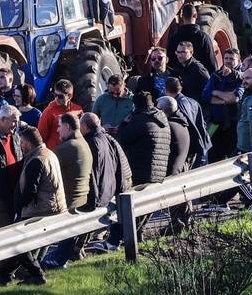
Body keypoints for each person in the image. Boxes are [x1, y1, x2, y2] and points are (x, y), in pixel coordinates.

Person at [0, 127, 61, 286]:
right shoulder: (48, 154)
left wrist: (18, 209)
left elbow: (31, 189)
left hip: (38, 209)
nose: (20, 145)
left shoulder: (36, 160)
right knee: (22, 245)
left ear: (29, 144)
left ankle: (37, 274)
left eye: (22, 142)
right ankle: (5, 275)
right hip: (48, 206)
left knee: (20, 244)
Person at [107, 92, 168, 248]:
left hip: (141, 169)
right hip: (159, 170)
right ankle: (135, 236)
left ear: (136, 105)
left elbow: (123, 138)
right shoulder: (161, 118)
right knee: (144, 207)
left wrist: (125, 123)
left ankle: (114, 240)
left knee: (130, 208)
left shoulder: (140, 120)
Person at [41, 113, 92, 270]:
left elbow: (45, 167)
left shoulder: (67, 148)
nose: (57, 130)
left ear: (67, 127)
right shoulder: (82, 142)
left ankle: (58, 259)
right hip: (81, 196)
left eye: (59, 126)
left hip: (70, 197)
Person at [79, 113, 132, 254]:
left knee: (106, 214)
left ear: (85, 127)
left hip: (113, 185)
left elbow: (95, 172)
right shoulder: (105, 137)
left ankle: (110, 241)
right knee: (114, 214)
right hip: (119, 181)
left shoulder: (93, 142)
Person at [157, 96, 193, 233]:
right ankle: (186, 221)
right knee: (184, 196)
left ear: (164, 111)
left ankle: (176, 223)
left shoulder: (169, 126)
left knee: (175, 198)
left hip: (173, 166)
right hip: (183, 163)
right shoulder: (182, 122)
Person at [202, 48, 245, 164]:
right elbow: (206, 95)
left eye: (231, 59)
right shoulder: (216, 75)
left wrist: (215, 93)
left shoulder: (241, 77)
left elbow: (235, 97)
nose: (228, 61)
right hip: (216, 124)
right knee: (214, 160)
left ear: (238, 61)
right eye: (226, 58)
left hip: (233, 124)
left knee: (235, 159)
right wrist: (224, 100)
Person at [165, 77, 210, 167]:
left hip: (190, 149)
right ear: (180, 88)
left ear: (166, 91)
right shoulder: (193, 102)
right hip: (202, 145)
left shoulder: (175, 107)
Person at [166, 3, 218, 73]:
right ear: (196, 15)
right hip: (198, 79)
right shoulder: (203, 37)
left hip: (178, 79)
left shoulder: (174, 37)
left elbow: (169, 62)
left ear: (182, 16)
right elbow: (211, 64)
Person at [37, 79, 84, 150]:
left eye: (60, 96)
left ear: (70, 96)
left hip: (72, 153)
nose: (56, 98)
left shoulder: (78, 110)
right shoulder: (49, 112)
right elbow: (41, 137)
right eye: (55, 95)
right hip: (55, 154)